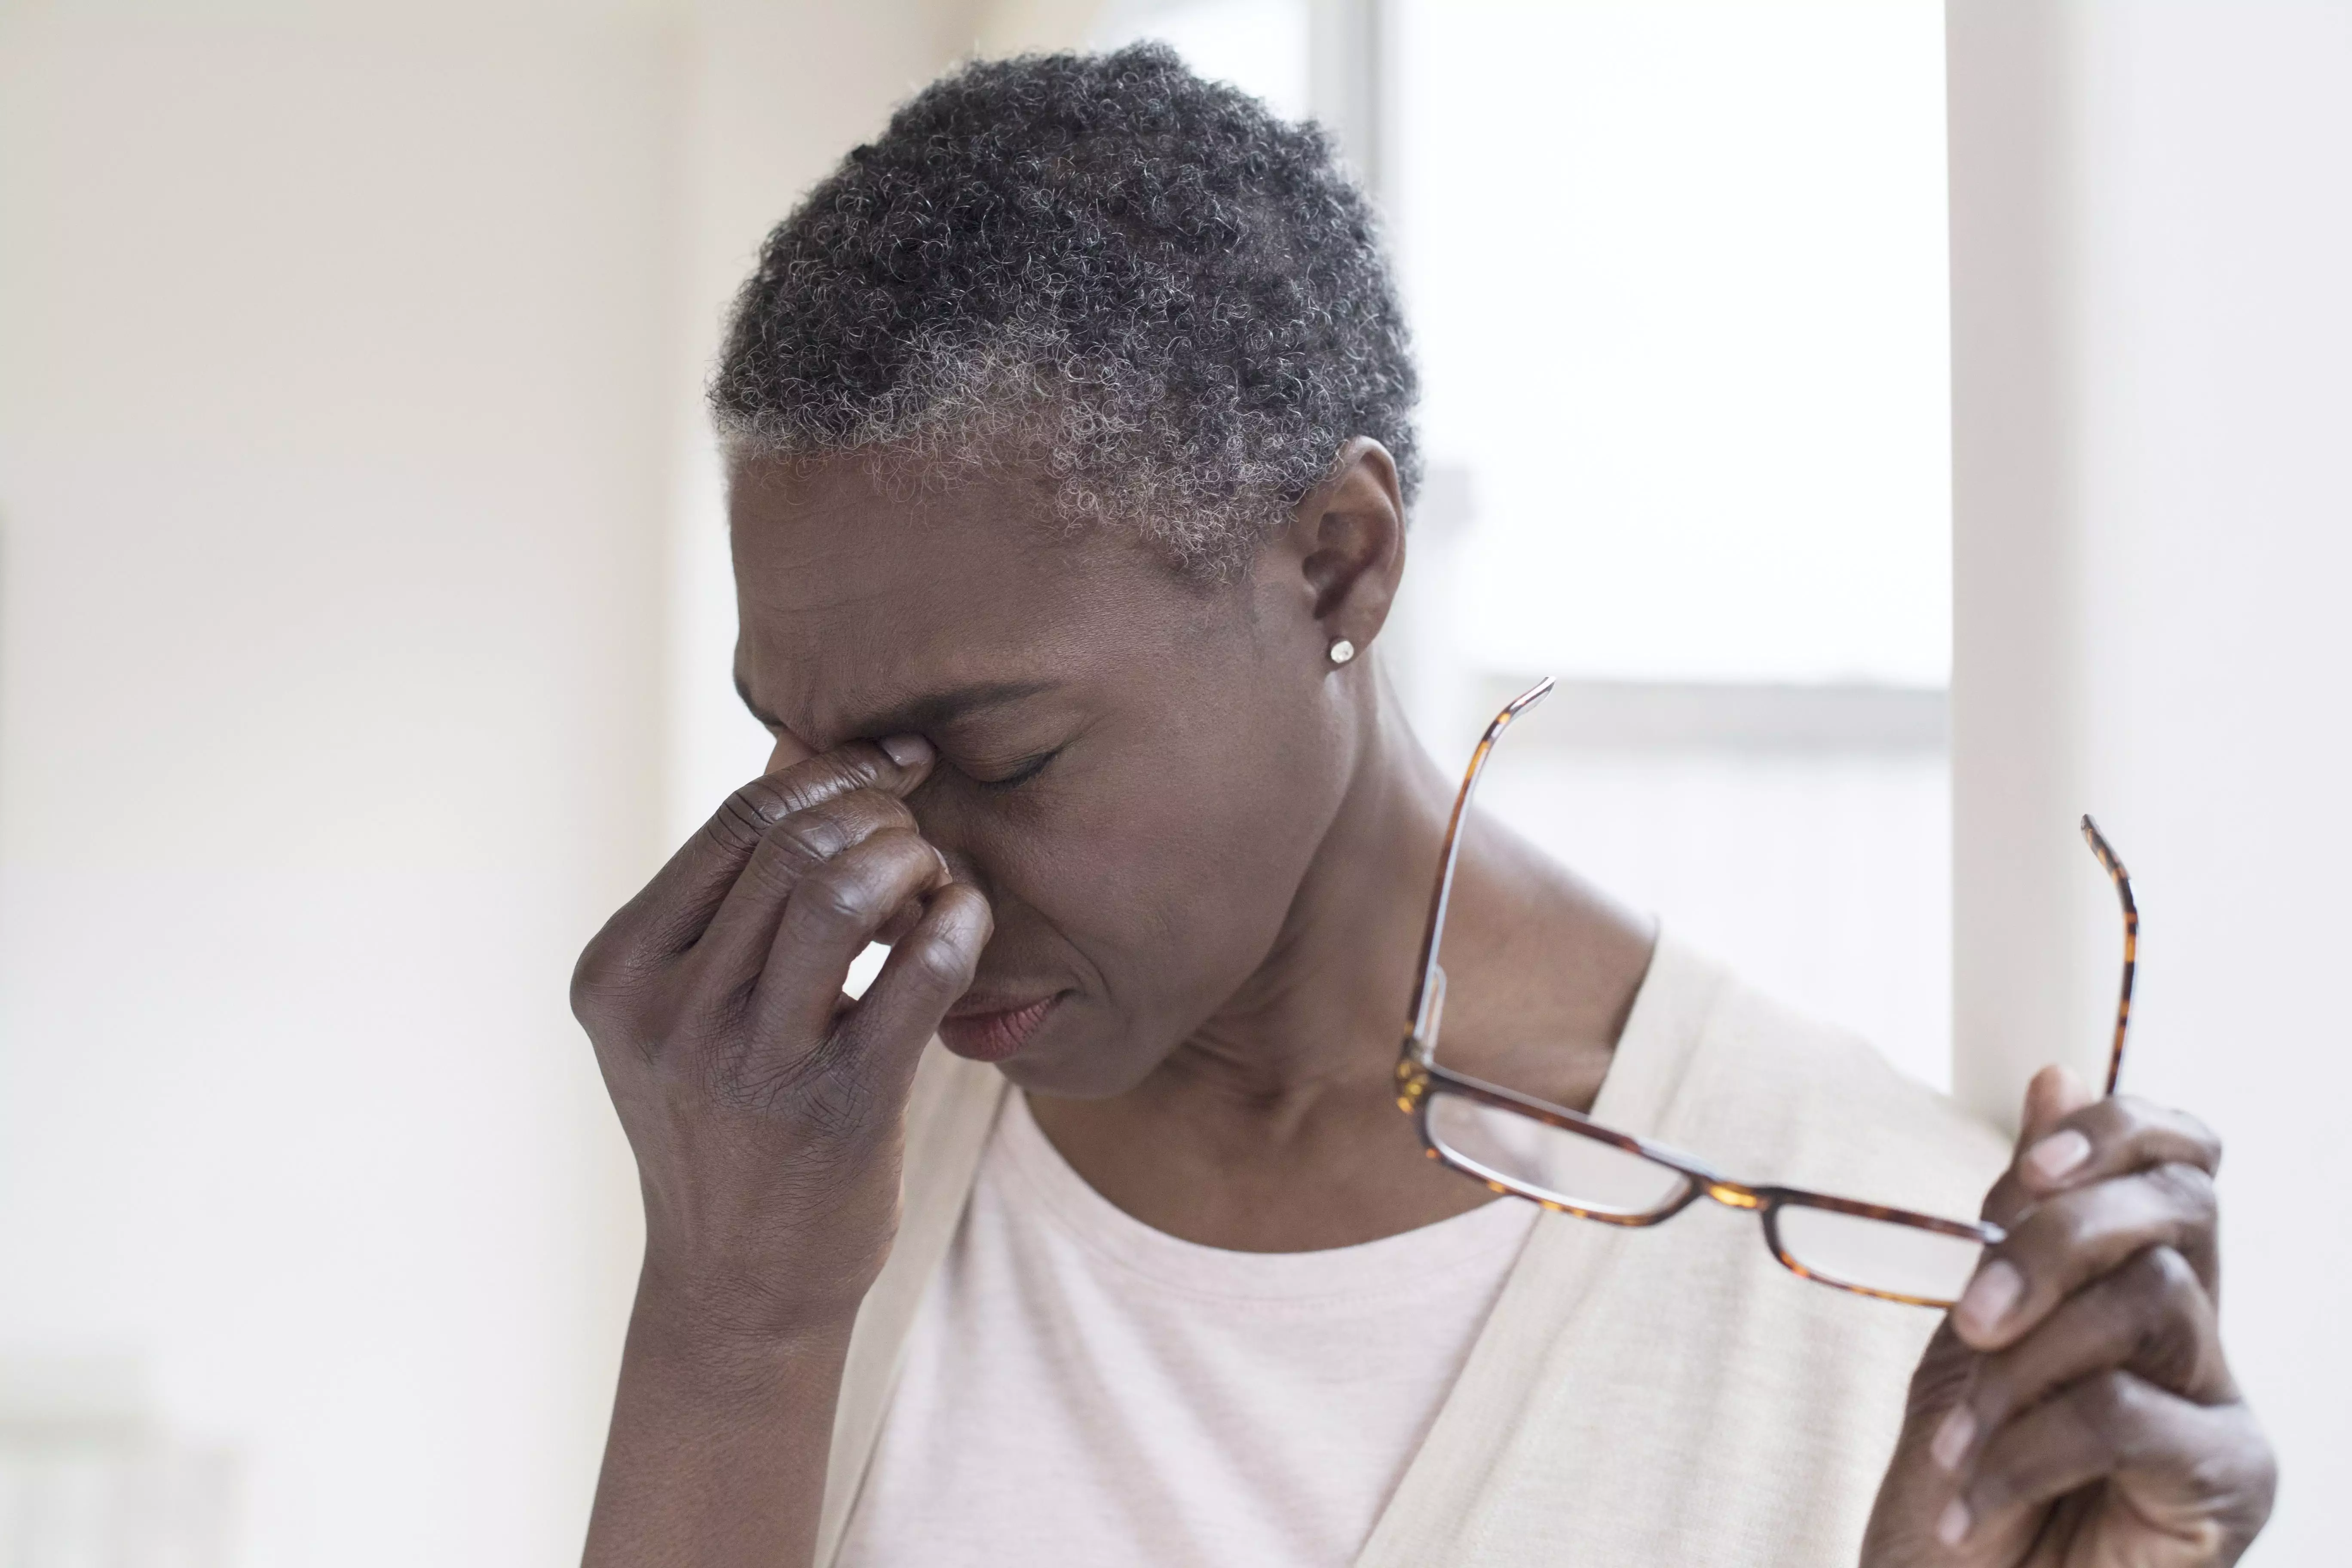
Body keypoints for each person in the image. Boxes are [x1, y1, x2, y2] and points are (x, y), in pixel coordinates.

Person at [570, 45, 2273, 1568]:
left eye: (1004, 755)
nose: (890, 895)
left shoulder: (1886, 1282)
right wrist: (731, 1336)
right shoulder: (795, 1168)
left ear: (1338, 563)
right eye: (809, 766)